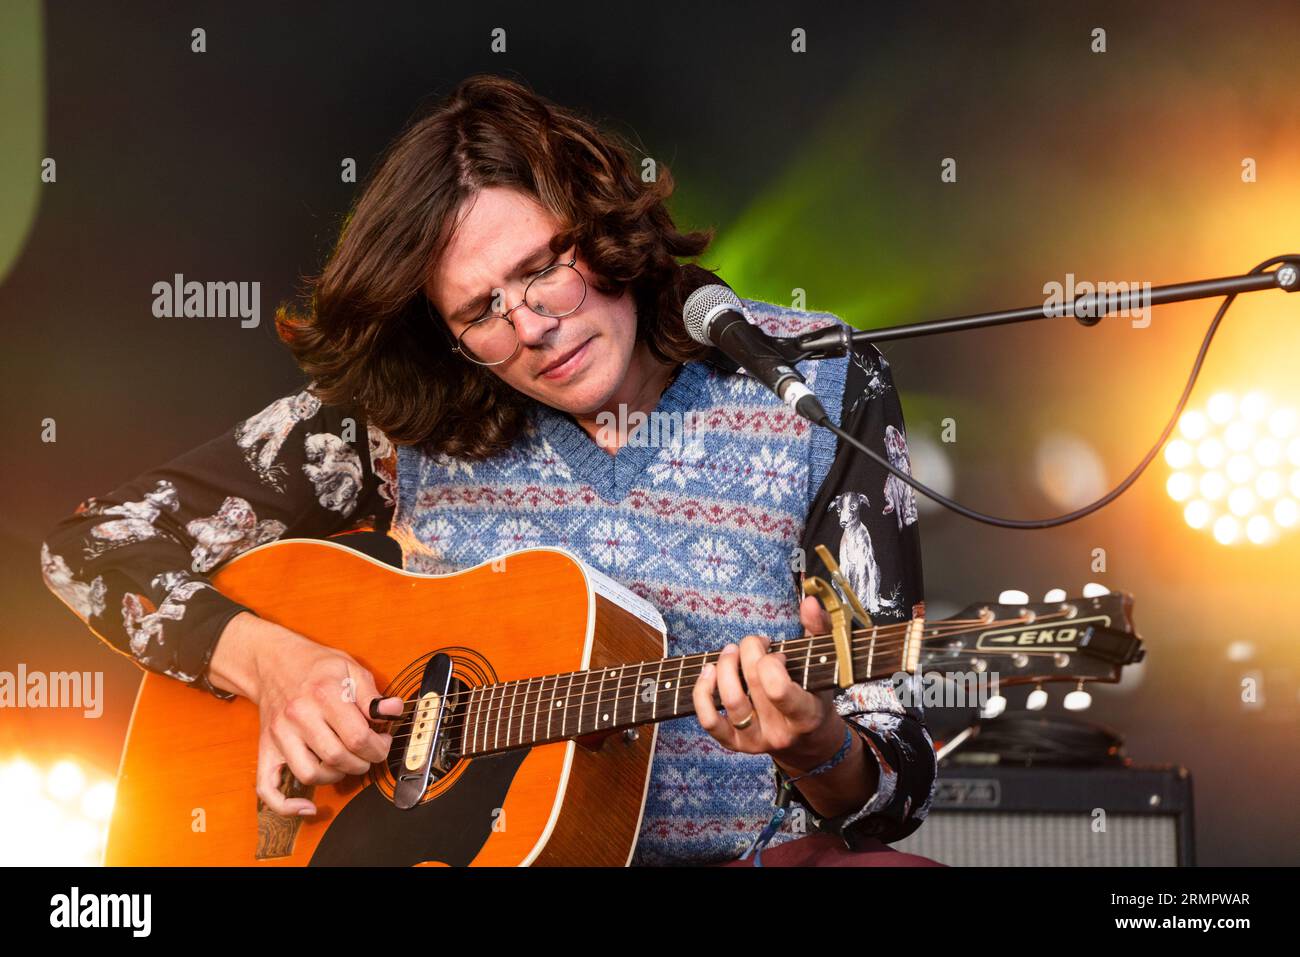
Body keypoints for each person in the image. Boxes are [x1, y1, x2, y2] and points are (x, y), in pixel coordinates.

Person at [40, 73, 939, 866]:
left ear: (603, 220)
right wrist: (272, 663)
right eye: (480, 309)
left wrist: (815, 742)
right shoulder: (413, 415)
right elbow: (93, 545)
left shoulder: (813, 379)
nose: (530, 325)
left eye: (543, 266)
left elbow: (893, 784)